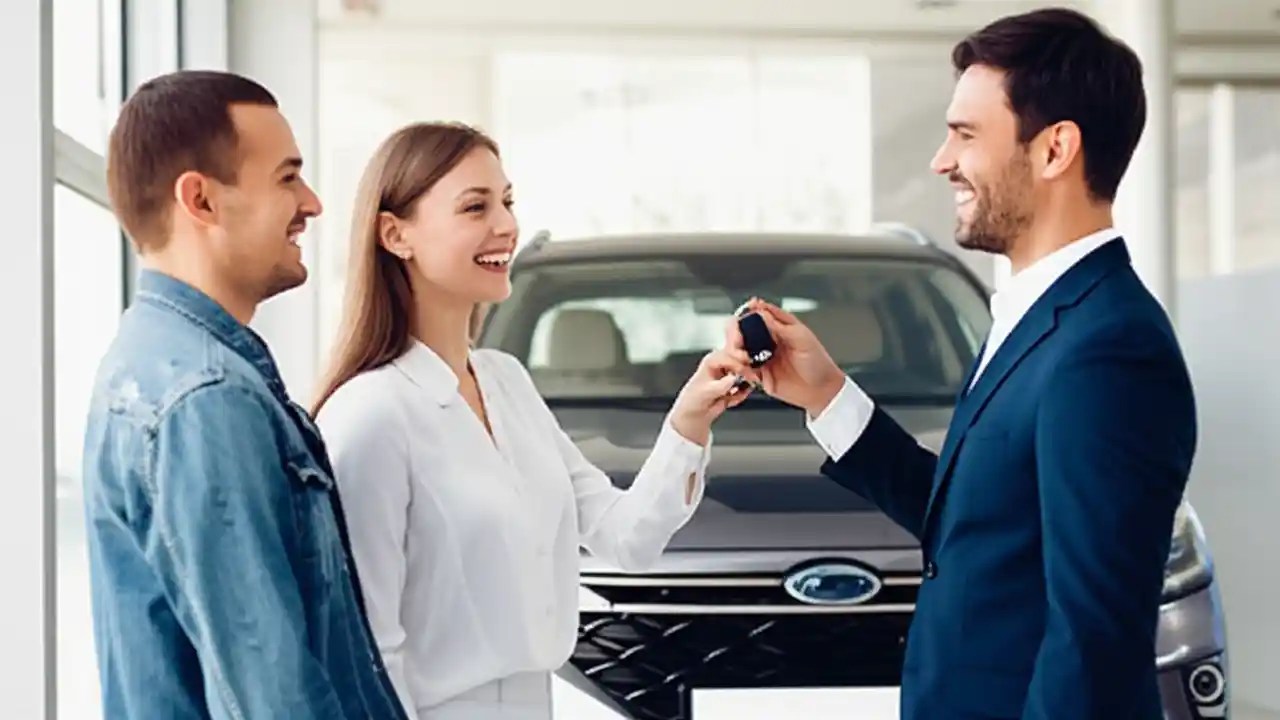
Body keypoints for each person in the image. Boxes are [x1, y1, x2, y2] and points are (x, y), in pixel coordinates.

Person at [727, 9, 1196, 720]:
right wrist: (825, 396)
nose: (940, 160)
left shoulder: (1108, 351)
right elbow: (977, 525)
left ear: (1054, 149)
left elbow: (1094, 638)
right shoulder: (1037, 315)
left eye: (966, 134)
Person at [310, 121, 753, 719]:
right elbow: (366, 653)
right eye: (475, 206)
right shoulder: (370, 416)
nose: (506, 226)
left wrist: (689, 421)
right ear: (395, 234)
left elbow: (627, 539)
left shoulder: (506, 382)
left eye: (507, 201)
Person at [82, 70, 408, 719]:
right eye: (287, 177)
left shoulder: (155, 363)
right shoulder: (205, 398)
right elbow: (274, 694)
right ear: (200, 200)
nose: (312, 203)